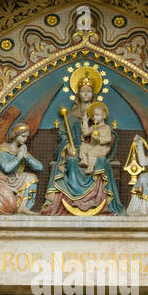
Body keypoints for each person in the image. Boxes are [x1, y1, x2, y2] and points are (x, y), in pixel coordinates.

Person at [41, 73, 123, 215]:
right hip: (76, 149)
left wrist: (103, 140)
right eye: (83, 91)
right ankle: (73, 200)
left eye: (89, 91)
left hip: (96, 149)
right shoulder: (71, 116)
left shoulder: (97, 112)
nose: (86, 94)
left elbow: (108, 133)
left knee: (100, 161)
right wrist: (68, 148)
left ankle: (97, 200)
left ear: (94, 94)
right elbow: (63, 135)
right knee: (72, 162)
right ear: (78, 93)